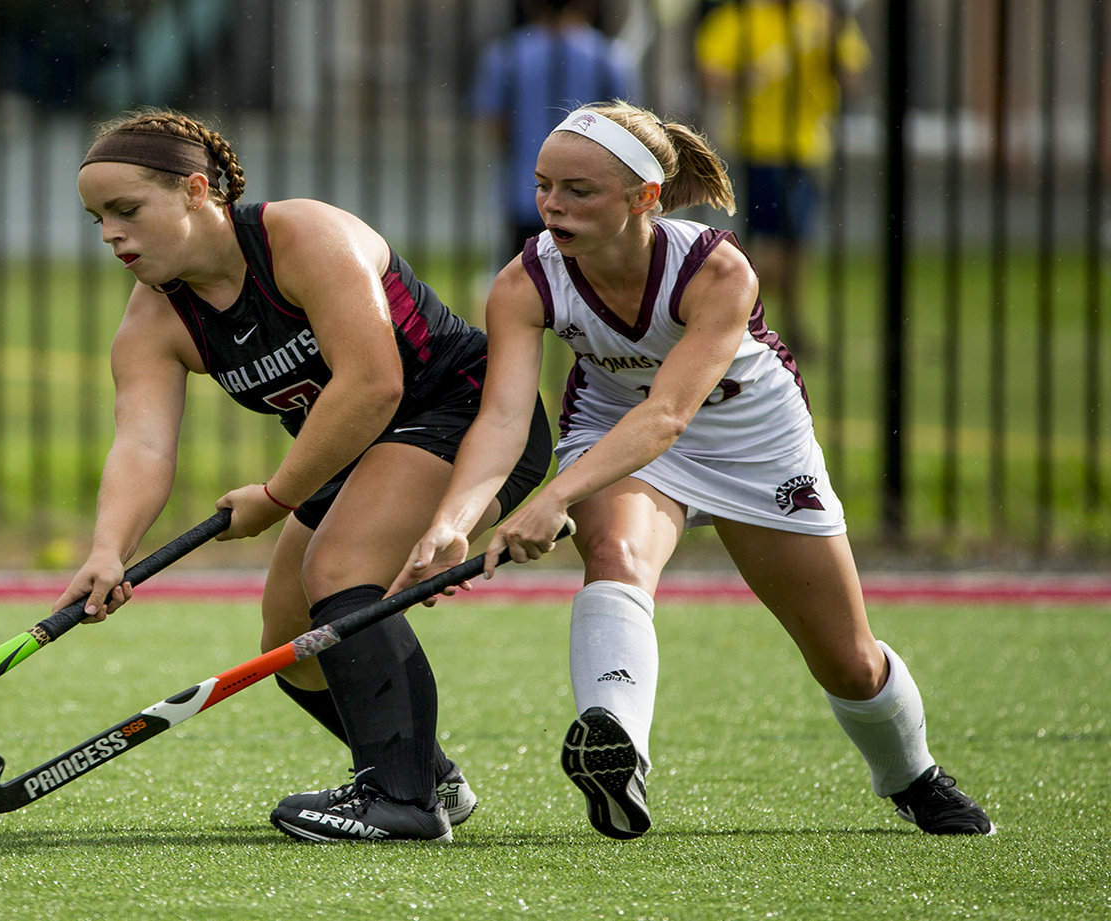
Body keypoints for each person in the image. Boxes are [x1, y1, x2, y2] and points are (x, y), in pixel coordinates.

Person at [394, 101, 993, 839]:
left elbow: (669, 415)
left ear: (644, 197)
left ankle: (913, 775)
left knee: (848, 662)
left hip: (751, 441)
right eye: (544, 185)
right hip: (613, 427)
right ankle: (618, 750)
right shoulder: (526, 281)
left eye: (579, 190)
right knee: (615, 553)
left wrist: (555, 497)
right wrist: (451, 524)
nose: (552, 205)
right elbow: (502, 420)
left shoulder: (716, 270)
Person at [63, 110, 552, 843]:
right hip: (352, 452)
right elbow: (142, 444)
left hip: (462, 413)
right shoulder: (156, 321)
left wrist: (276, 496)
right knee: (290, 637)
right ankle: (428, 775)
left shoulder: (303, 237)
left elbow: (373, 383)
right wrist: (108, 550)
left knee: (339, 571)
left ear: (196, 190)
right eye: (98, 218)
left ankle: (403, 803)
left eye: (126, 210)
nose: (110, 234)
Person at [695, 0, 870, 356]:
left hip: (809, 148)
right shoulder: (741, 17)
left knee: (798, 243)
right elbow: (711, 74)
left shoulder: (823, 18)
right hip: (758, 148)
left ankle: (776, 319)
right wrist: (746, 77)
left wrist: (832, 40)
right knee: (776, 244)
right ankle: (726, 302)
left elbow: (851, 79)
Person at [473, 0, 638, 262]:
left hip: (526, 190)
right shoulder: (607, 55)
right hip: (590, 193)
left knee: (528, 270)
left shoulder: (508, 53)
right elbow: (625, 123)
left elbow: (494, 122)